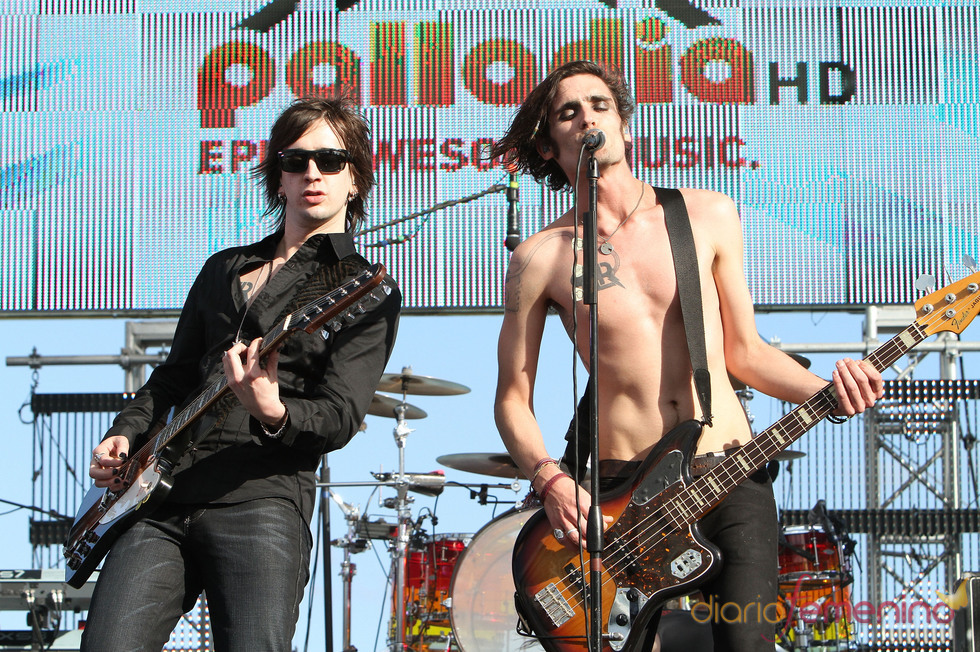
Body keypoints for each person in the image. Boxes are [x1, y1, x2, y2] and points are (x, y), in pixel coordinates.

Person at [491, 60, 882, 651]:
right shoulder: (540, 258)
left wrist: (834, 390)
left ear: (624, 125)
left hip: (724, 471)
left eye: (599, 105)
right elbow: (513, 399)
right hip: (619, 492)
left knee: (747, 642)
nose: (587, 118)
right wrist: (548, 478)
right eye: (568, 112)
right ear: (549, 145)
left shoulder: (708, 215)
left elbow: (745, 353)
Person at [80, 96, 401, 651]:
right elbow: (173, 377)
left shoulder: (364, 288)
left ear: (356, 179)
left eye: (330, 160)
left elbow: (340, 415)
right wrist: (125, 433)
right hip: (160, 498)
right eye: (295, 161)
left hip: (262, 499)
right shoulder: (223, 267)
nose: (311, 174)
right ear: (278, 177)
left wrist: (270, 408)